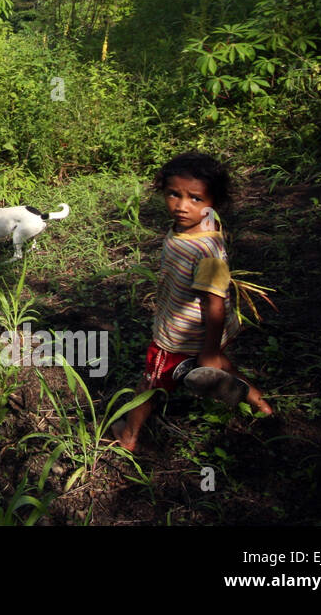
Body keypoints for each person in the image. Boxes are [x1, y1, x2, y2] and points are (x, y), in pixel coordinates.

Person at [110, 152, 273, 452]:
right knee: (222, 366)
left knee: (149, 384)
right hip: (197, 331)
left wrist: (208, 350)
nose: (182, 206)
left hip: (179, 336)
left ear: (214, 202)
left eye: (195, 198)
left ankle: (129, 435)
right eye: (174, 194)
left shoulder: (206, 250)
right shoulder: (187, 230)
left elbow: (214, 301)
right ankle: (261, 405)